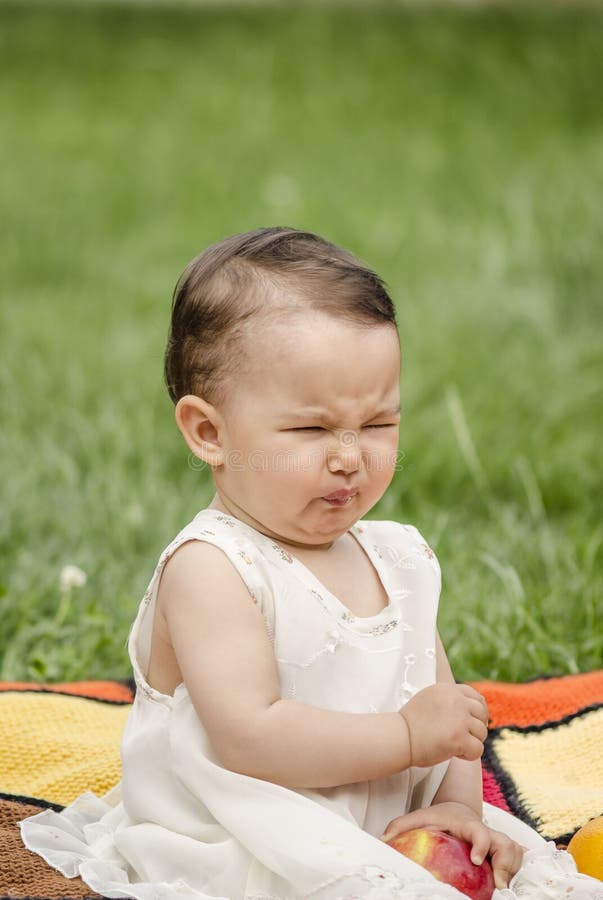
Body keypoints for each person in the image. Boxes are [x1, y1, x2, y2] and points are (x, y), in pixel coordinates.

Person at [20, 228, 603, 900]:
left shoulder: (398, 560)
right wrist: (405, 735)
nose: (350, 456)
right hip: (247, 839)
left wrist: (456, 809)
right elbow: (251, 738)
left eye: (377, 423)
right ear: (209, 432)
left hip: (383, 829)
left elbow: (440, 715)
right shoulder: (213, 569)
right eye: (311, 429)